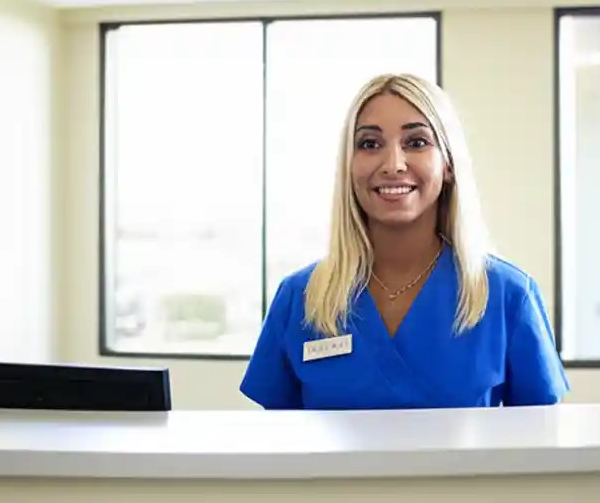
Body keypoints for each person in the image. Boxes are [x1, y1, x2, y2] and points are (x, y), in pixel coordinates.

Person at [240, 73, 569, 410]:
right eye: (369, 144)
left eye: (416, 143)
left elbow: (540, 445)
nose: (393, 165)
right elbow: (280, 447)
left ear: (449, 164)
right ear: (349, 166)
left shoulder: (507, 295)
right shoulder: (300, 298)